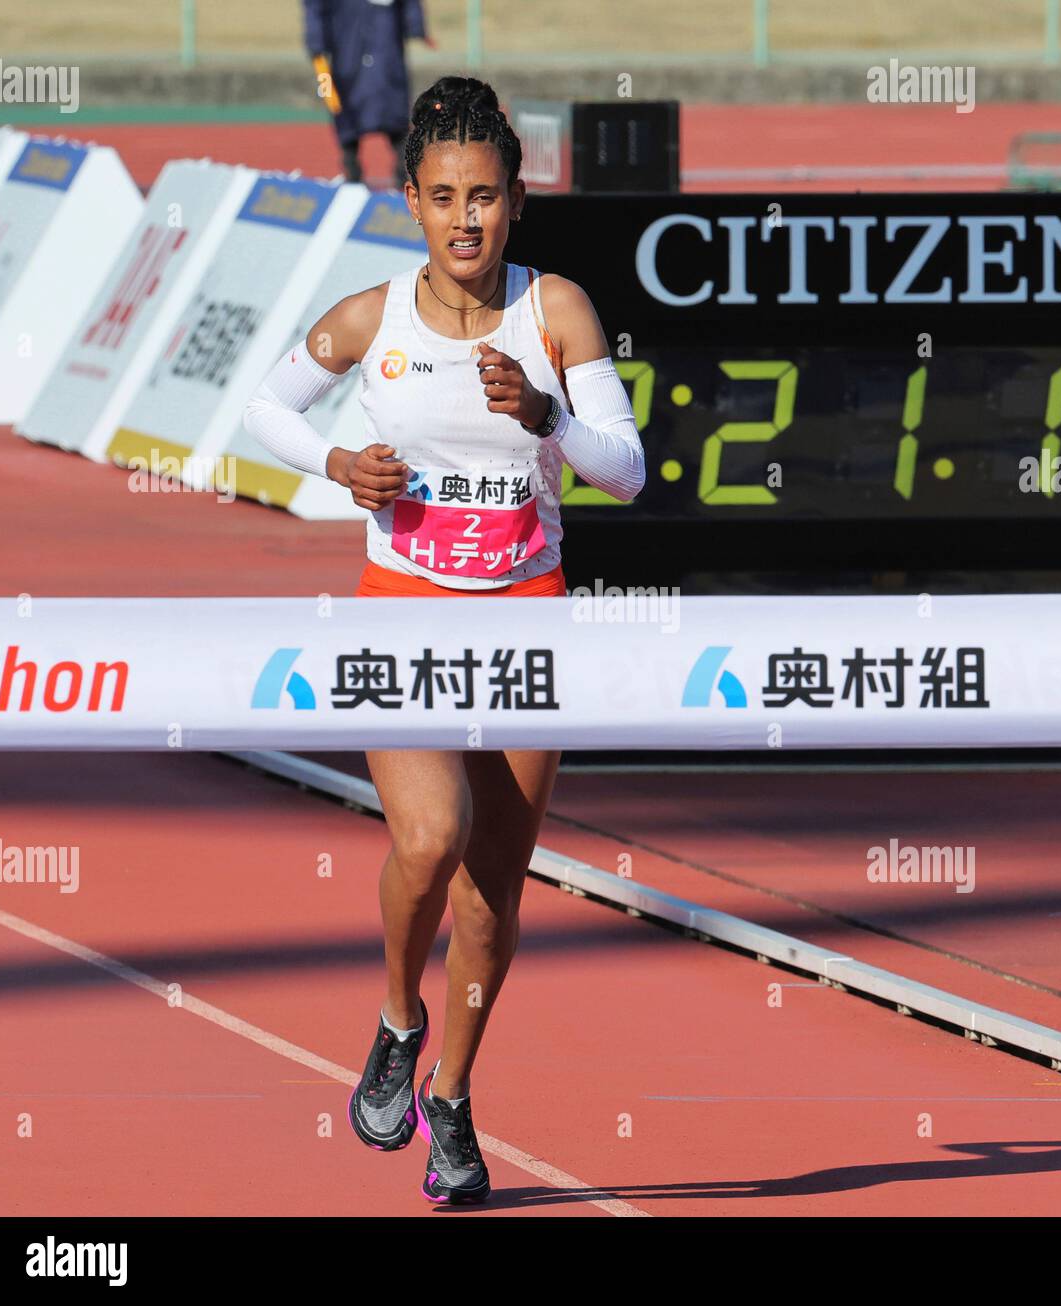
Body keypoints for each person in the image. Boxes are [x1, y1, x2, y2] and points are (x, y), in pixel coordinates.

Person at [243, 76, 646, 1205]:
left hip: (527, 622)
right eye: (441, 197)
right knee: (430, 837)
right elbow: (264, 409)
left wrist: (547, 417)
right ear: (410, 204)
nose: (464, 219)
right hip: (402, 613)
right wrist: (336, 466)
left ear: (515, 202)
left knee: (489, 897)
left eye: (484, 197)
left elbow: (629, 469)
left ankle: (455, 1099)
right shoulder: (373, 321)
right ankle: (395, 1019)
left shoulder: (554, 312)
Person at [304, 0, 433, 184]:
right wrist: (316, 42)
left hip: (386, 44)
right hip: (345, 45)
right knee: (345, 109)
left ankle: (403, 167)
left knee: (394, 108)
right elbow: (315, 7)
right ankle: (351, 165)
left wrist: (415, 25)